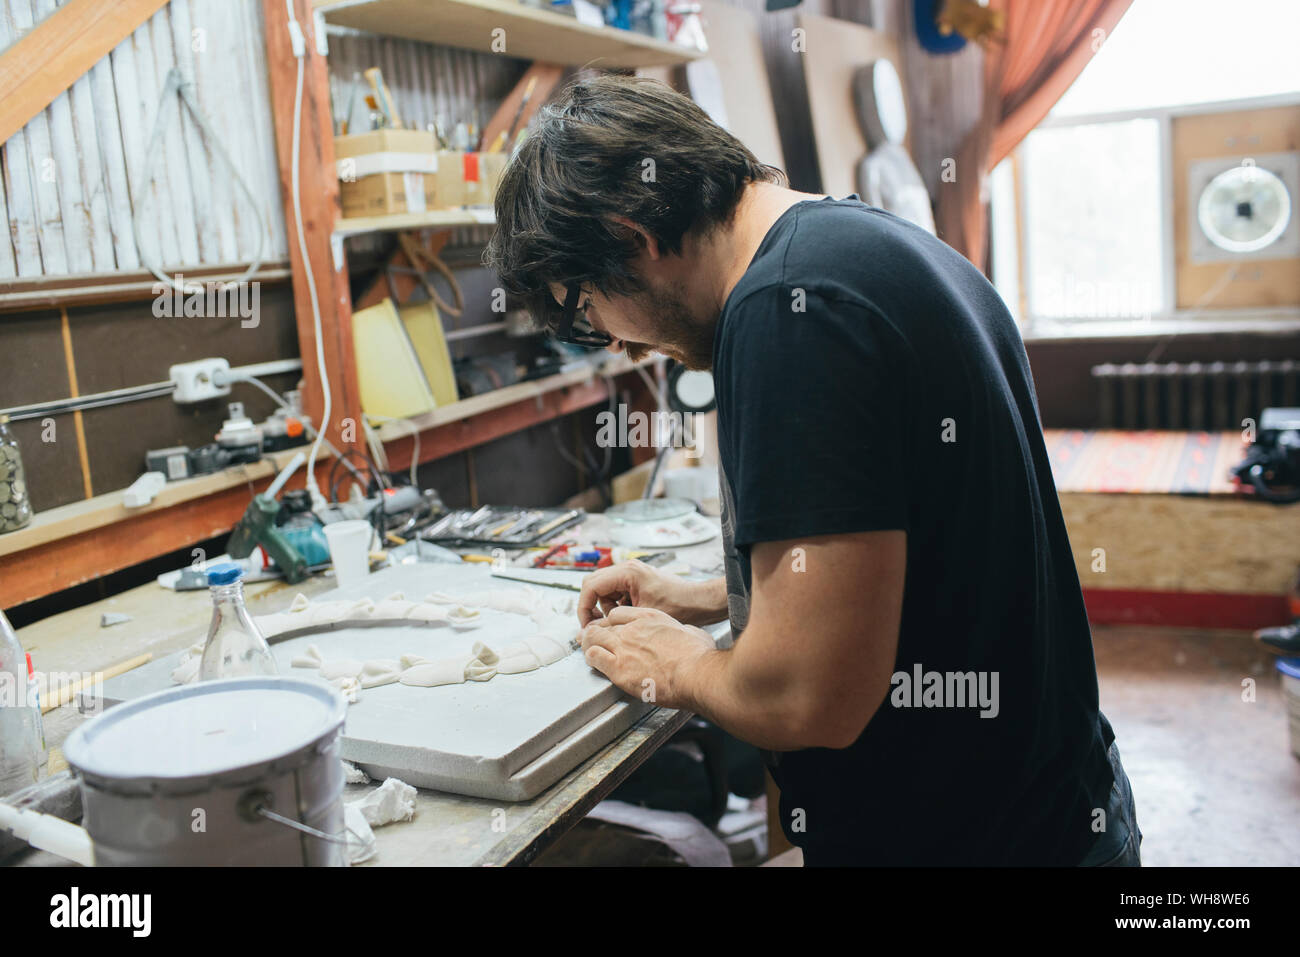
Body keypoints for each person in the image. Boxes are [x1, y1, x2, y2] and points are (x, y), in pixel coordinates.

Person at [485, 74, 1140, 866]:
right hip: (1054, 808)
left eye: (586, 308)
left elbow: (806, 697)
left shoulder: (788, 315)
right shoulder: (867, 248)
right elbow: (927, 554)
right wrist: (709, 598)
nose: (613, 342)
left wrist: (683, 663)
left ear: (634, 238)